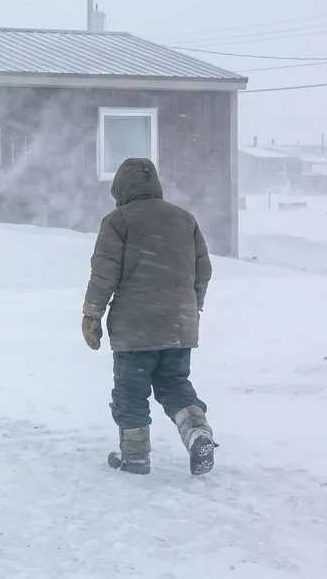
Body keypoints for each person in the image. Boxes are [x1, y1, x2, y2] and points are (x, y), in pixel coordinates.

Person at [80, 157, 217, 476]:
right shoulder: (185, 219)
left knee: (130, 393)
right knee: (174, 385)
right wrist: (191, 307)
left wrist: (91, 315)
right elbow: (203, 271)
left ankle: (136, 457)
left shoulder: (118, 221)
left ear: (120, 188)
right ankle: (197, 432)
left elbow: (104, 274)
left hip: (134, 330)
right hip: (178, 327)